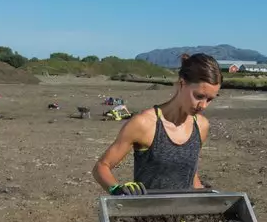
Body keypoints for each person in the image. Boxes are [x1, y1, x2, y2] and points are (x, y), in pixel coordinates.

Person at [92, 53, 222, 195]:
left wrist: (202, 195)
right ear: (182, 83)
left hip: (185, 214)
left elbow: (190, 172)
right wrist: (116, 189)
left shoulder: (201, 126)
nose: (203, 105)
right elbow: (101, 166)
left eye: (210, 99)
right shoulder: (144, 124)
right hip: (147, 214)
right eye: (199, 96)